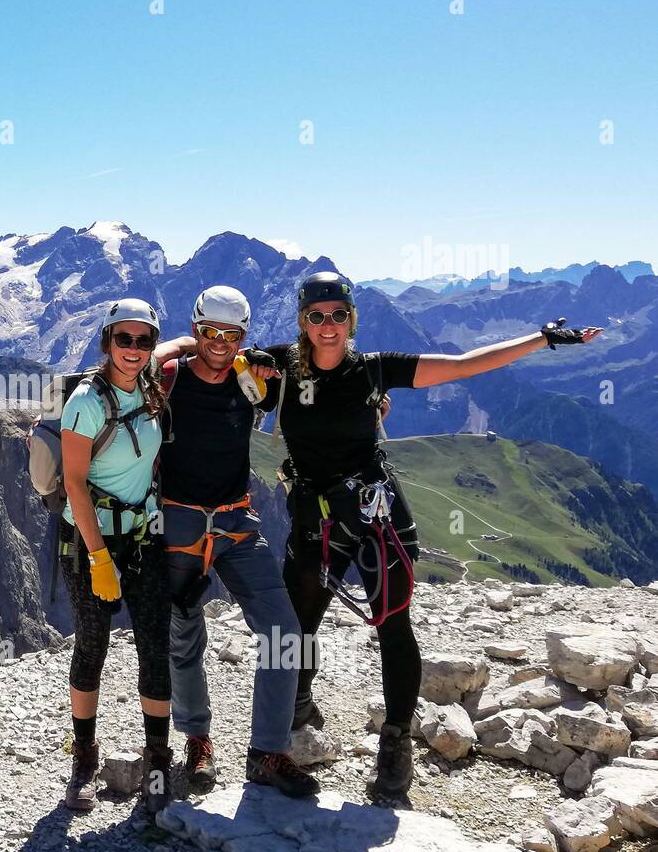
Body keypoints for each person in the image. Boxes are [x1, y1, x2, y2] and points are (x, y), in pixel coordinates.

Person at [262, 272, 602, 797]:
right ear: (302, 322)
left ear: (351, 319)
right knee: (297, 623)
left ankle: (395, 742)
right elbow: (214, 355)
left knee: (393, 624)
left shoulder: (376, 370)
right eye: (316, 316)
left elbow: (464, 365)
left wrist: (539, 337)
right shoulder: (280, 366)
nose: (327, 326)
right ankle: (299, 701)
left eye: (337, 315)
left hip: (374, 510)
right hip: (317, 515)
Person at [152, 287, 319, 798]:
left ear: (243, 336)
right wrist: (173, 347)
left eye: (231, 335)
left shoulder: (253, 381)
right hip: (177, 521)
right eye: (209, 333)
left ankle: (267, 751)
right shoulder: (169, 377)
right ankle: (197, 741)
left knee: (284, 631)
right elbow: (141, 362)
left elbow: (311, 371)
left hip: (235, 522)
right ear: (196, 330)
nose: (220, 343)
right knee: (183, 638)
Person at [57, 298, 173, 813]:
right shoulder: (84, 402)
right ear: (107, 341)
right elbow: (75, 486)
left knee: (154, 644)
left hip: (143, 537)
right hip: (90, 541)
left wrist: (214, 345)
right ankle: (83, 758)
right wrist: (100, 557)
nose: (133, 349)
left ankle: (157, 762)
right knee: (92, 645)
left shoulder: (149, 386)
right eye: (123, 339)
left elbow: (185, 346)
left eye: (144, 340)